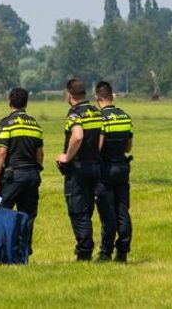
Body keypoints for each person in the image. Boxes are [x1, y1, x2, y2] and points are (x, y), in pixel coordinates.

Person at [54, 77, 104, 261]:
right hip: (95, 167)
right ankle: (86, 247)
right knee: (88, 210)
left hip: (78, 169)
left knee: (78, 211)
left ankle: (84, 251)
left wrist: (67, 157)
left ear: (69, 94)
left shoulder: (75, 114)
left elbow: (77, 136)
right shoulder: (95, 111)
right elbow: (101, 137)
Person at [0, 87, 43, 253]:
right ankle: (23, 251)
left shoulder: (6, 123)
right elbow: (40, 154)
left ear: (9, 101)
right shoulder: (35, 124)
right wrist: (36, 171)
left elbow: (1, 152)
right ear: (26, 103)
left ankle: (0, 250)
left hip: (13, 176)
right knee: (27, 216)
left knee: (0, 212)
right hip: (32, 175)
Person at [93, 80, 134, 263]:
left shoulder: (101, 118)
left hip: (106, 170)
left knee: (107, 212)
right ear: (111, 96)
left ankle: (105, 253)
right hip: (122, 168)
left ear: (98, 98)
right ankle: (123, 251)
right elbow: (128, 147)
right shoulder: (125, 117)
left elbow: (98, 147)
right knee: (122, 211)